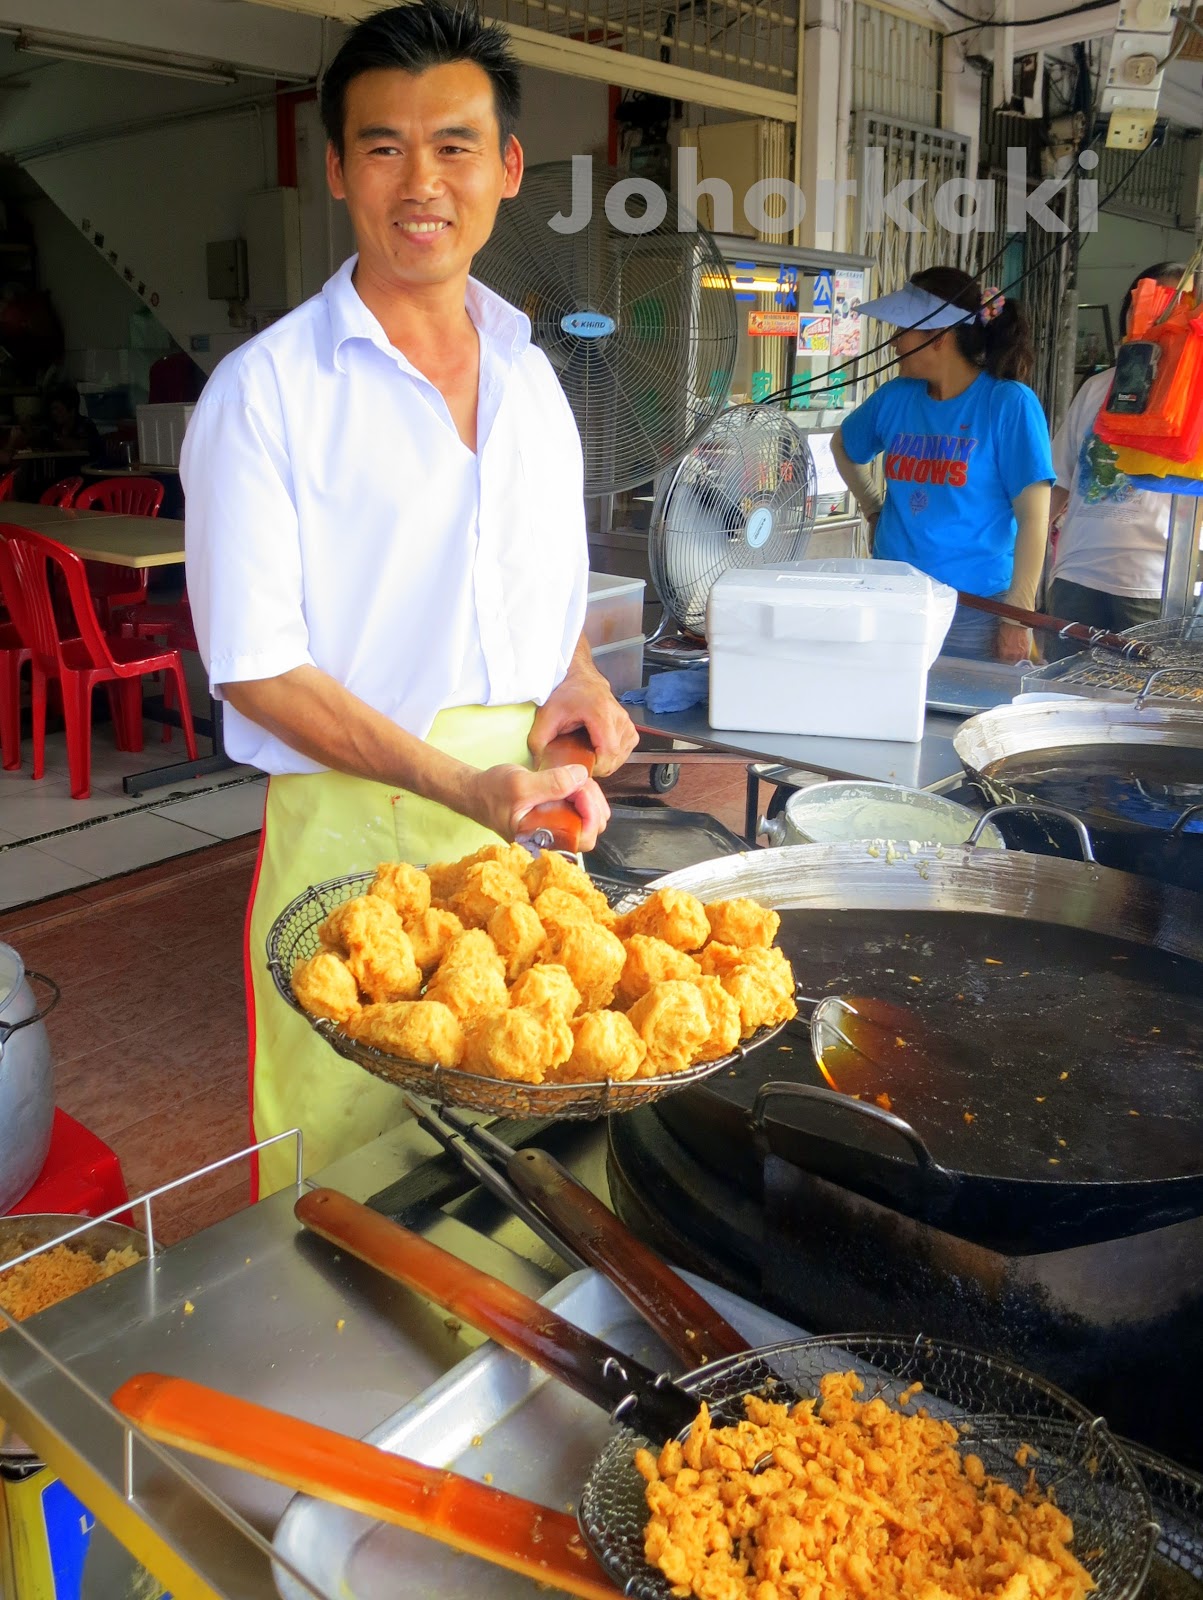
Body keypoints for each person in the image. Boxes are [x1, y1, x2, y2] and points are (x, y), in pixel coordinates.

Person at [182, 1, 637, 1197]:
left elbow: (547, 600)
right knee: (354, 1200)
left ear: (507, 169)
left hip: (533, 832)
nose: (420, 180)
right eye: (384, 147)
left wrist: (580, 678)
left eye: (454, 146)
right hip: (355, 857)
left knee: (541, 1179)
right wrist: (457, 786)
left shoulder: (536, 382)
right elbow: (254, 667)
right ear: (337, 171)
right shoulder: (265, 393)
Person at [831, 268, 1054, 663]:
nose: (894, 343)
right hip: (894, 600)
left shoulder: (1007, 404)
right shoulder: (895, 397)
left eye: (903, 330)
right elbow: (844, 446)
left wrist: (1018, 617)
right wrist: (872, 509)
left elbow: (1035, 520)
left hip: (975, 609)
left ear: (938, 337)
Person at [1043, 262, 1185, 660]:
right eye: (1140, 306)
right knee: (1064, 695)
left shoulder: (1193, 400)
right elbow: (1060, 482)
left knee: (1141, 707)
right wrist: (1032, 569)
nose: (1152, 319)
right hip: (1075, 576)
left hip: (1150, 585)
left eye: (1169, 308)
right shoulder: (1097, 388)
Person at [45, 383, 102, 459]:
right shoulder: (53, 426)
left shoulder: (85, 424)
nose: (54, 413)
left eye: (58, 409)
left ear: (72, 409)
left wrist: (56, 439)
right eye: (52, 409)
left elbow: (83, 445)